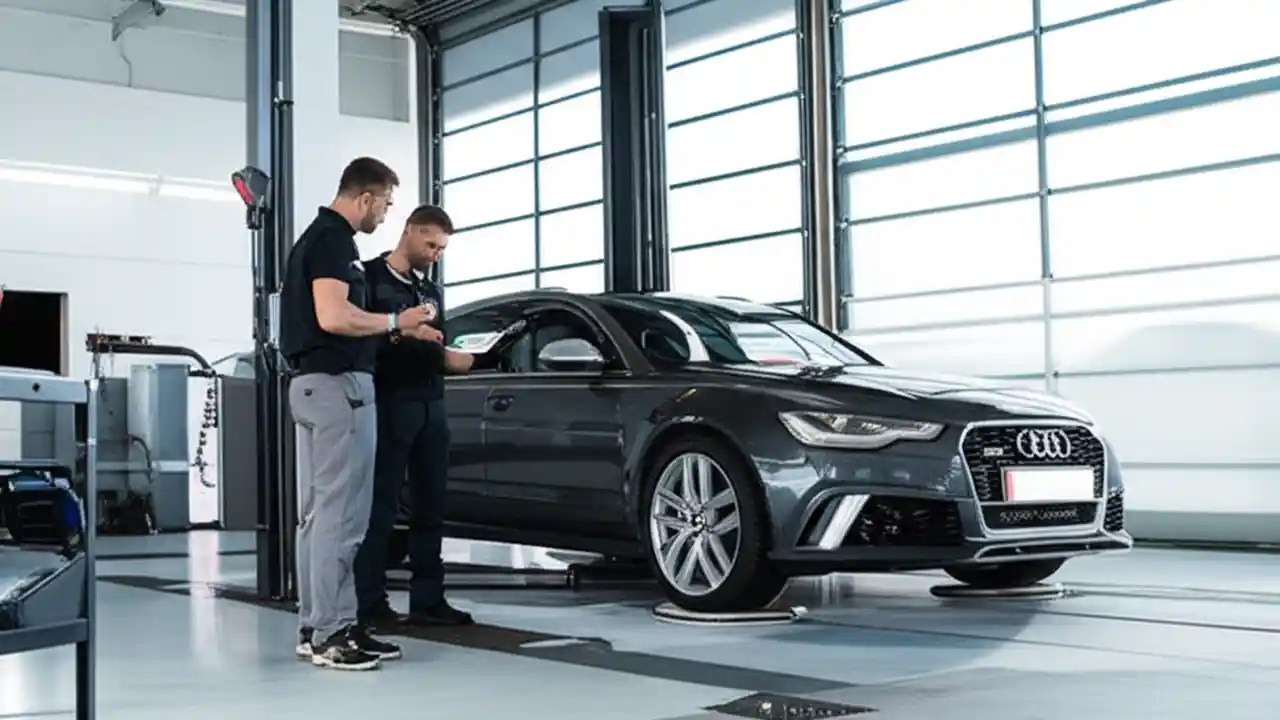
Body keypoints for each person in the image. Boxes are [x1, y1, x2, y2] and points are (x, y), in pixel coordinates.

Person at [279, 157, 438, 671]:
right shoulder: (333, 240)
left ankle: (322, 624)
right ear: (365, 197)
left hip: (313, 386)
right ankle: (332, 632)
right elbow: (333, 315)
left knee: (318, 516)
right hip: (336, 389)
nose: (384, 216)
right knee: (341, 517)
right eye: (386, 205)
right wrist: (397, 319)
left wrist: (393, 328)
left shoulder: (316, 238)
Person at [354, 204, 476, 630]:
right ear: (408, 231)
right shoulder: (368, 278)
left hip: (431, 404)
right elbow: (358, 334)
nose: (435, 253)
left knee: (431, 505)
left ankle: (428, 599)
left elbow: (432, 344)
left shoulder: (431, 291)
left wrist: (452, 359)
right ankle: (369, 601)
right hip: (390, 401)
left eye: (442, 248)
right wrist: (399, 330)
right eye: (430, 243)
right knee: (381, 505)